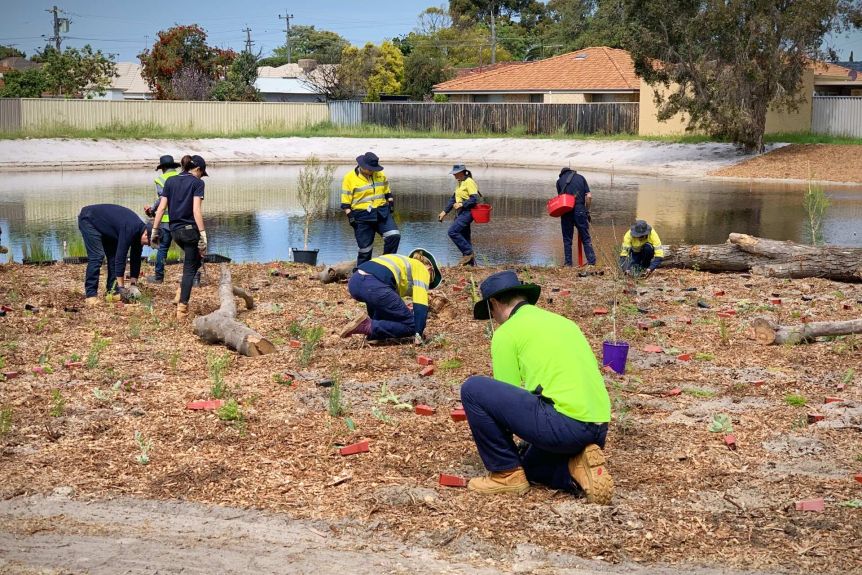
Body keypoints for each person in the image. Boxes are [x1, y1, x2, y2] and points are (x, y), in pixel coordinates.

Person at [459, 270, 613, 504]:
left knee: (473, 389)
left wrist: (502, 449)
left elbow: (504, 401)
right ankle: (574, 468)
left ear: (494, 303)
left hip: (564, 424)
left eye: (490, 312)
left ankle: (505, 474)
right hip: (598, 427)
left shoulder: (506, 334)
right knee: (529, 465)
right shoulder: (564, 323)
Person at [341, 249, 441, 344]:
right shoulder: (422, 269)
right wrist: (418, 332)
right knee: (412, 325)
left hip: (355, 282)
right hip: (373, 285)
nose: (427, 284)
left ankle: (374, 335)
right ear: (430, 269)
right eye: (430, 280)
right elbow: (421, 304)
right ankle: (367, 326)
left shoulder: (401, 262)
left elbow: (386, 303)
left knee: (387, 311)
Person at [151, 154, 208, 319]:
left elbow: (161, 208)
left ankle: (181, 291)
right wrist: (203, 235)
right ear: (197, 169)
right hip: (190, 231)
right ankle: (182, 309)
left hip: (175, 231)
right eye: (202, 173)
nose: (201, 176)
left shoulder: (170, 181)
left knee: (195, 260)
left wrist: (155, 230)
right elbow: (196, 211)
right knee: (190, 269)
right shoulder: (198, 183)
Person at [77, 204, 151, 305]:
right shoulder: (130, 228)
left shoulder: (141, 232)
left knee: (113, 256)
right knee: (97, 256)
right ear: (146, 234)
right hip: (89, 219)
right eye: (149, 243)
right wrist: (122, 288)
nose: (149, 246)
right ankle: (91, 295)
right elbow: (121, 258)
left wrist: (133, 284)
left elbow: (135, 258)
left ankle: (112, 292)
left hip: (107, 226)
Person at [341, 152, 400, 267]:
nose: (373, 171)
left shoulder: (380, 174)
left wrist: (391, 203)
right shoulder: (349, 178)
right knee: (365, 250)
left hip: (381, 213)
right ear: (362, 167)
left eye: (374, 169)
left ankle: (384, 265)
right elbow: (345, 202)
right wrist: (350, 217)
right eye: (370, 169)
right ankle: (362, 274)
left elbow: (387, 191)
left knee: (394, 235)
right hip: (361, 217)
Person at [144, 155, 181, 284]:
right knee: (188, 247)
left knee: (163, 248)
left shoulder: (160, 179)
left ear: (162, 167)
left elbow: (162, 199)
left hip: (166, 220)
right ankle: (194, 276)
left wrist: (152, 209)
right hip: (181, 218)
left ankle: (159, 277)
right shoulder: (182, 177)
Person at [438, 164, 480, 266]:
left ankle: (468, 253)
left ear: (461, 172)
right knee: (465, 237)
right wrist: (445, 212)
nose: (454, 175)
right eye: (453, 174)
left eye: (455, 173)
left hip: (468, 212)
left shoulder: (469, 182)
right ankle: (470, 264)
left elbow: (475, 198)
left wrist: (462, 204)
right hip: (461, 213)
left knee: (452, 232)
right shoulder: (460, 182)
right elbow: (453, 198)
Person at [555, 168, 596, 267]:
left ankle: (568, 264)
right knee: (585, 237)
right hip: (580, 210)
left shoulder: (559, 181)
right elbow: (589, 196)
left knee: (567, 239)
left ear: (562, 174)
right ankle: (591, 262)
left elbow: (561, 199)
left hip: (566, 211)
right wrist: (587, 210)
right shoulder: (581, 178)